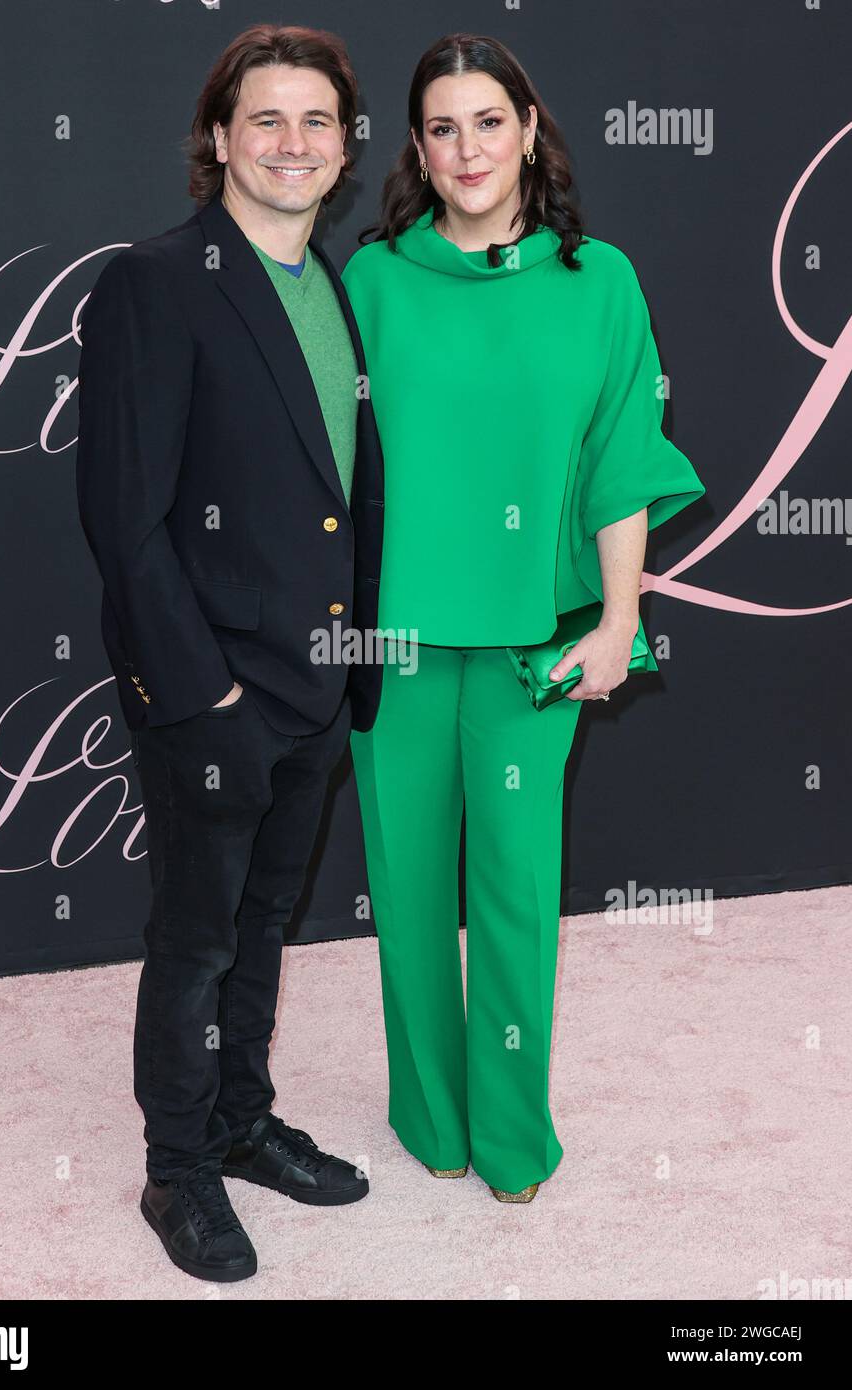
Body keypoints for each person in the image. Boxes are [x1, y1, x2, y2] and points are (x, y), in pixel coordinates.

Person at [341, 33, 705, 1203]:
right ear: (416, 148)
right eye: (442, 127)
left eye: (488, 121)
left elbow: (618, 461)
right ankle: (429, 1113)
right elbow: (328, 464)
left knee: (511, 890)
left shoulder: (602, 282)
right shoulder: (375, 280)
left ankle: (509, 1131)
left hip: (532, 639)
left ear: (531, 130)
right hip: (392, 642)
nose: (467, 148)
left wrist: (618, 618)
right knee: (403, 887)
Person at [75, 23, 384, 1282]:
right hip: (212, 690)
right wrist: (197, 688)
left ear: (344, 147)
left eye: (317, 121)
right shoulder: (157, 280)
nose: (292, 143)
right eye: (266, 119)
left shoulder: (335, 283)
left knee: (268, 924)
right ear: (219, 139)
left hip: (318, 682)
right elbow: (123, 515)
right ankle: (179, 1170)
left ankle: (242, 1120)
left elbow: (345, 489)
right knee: (197, 937)